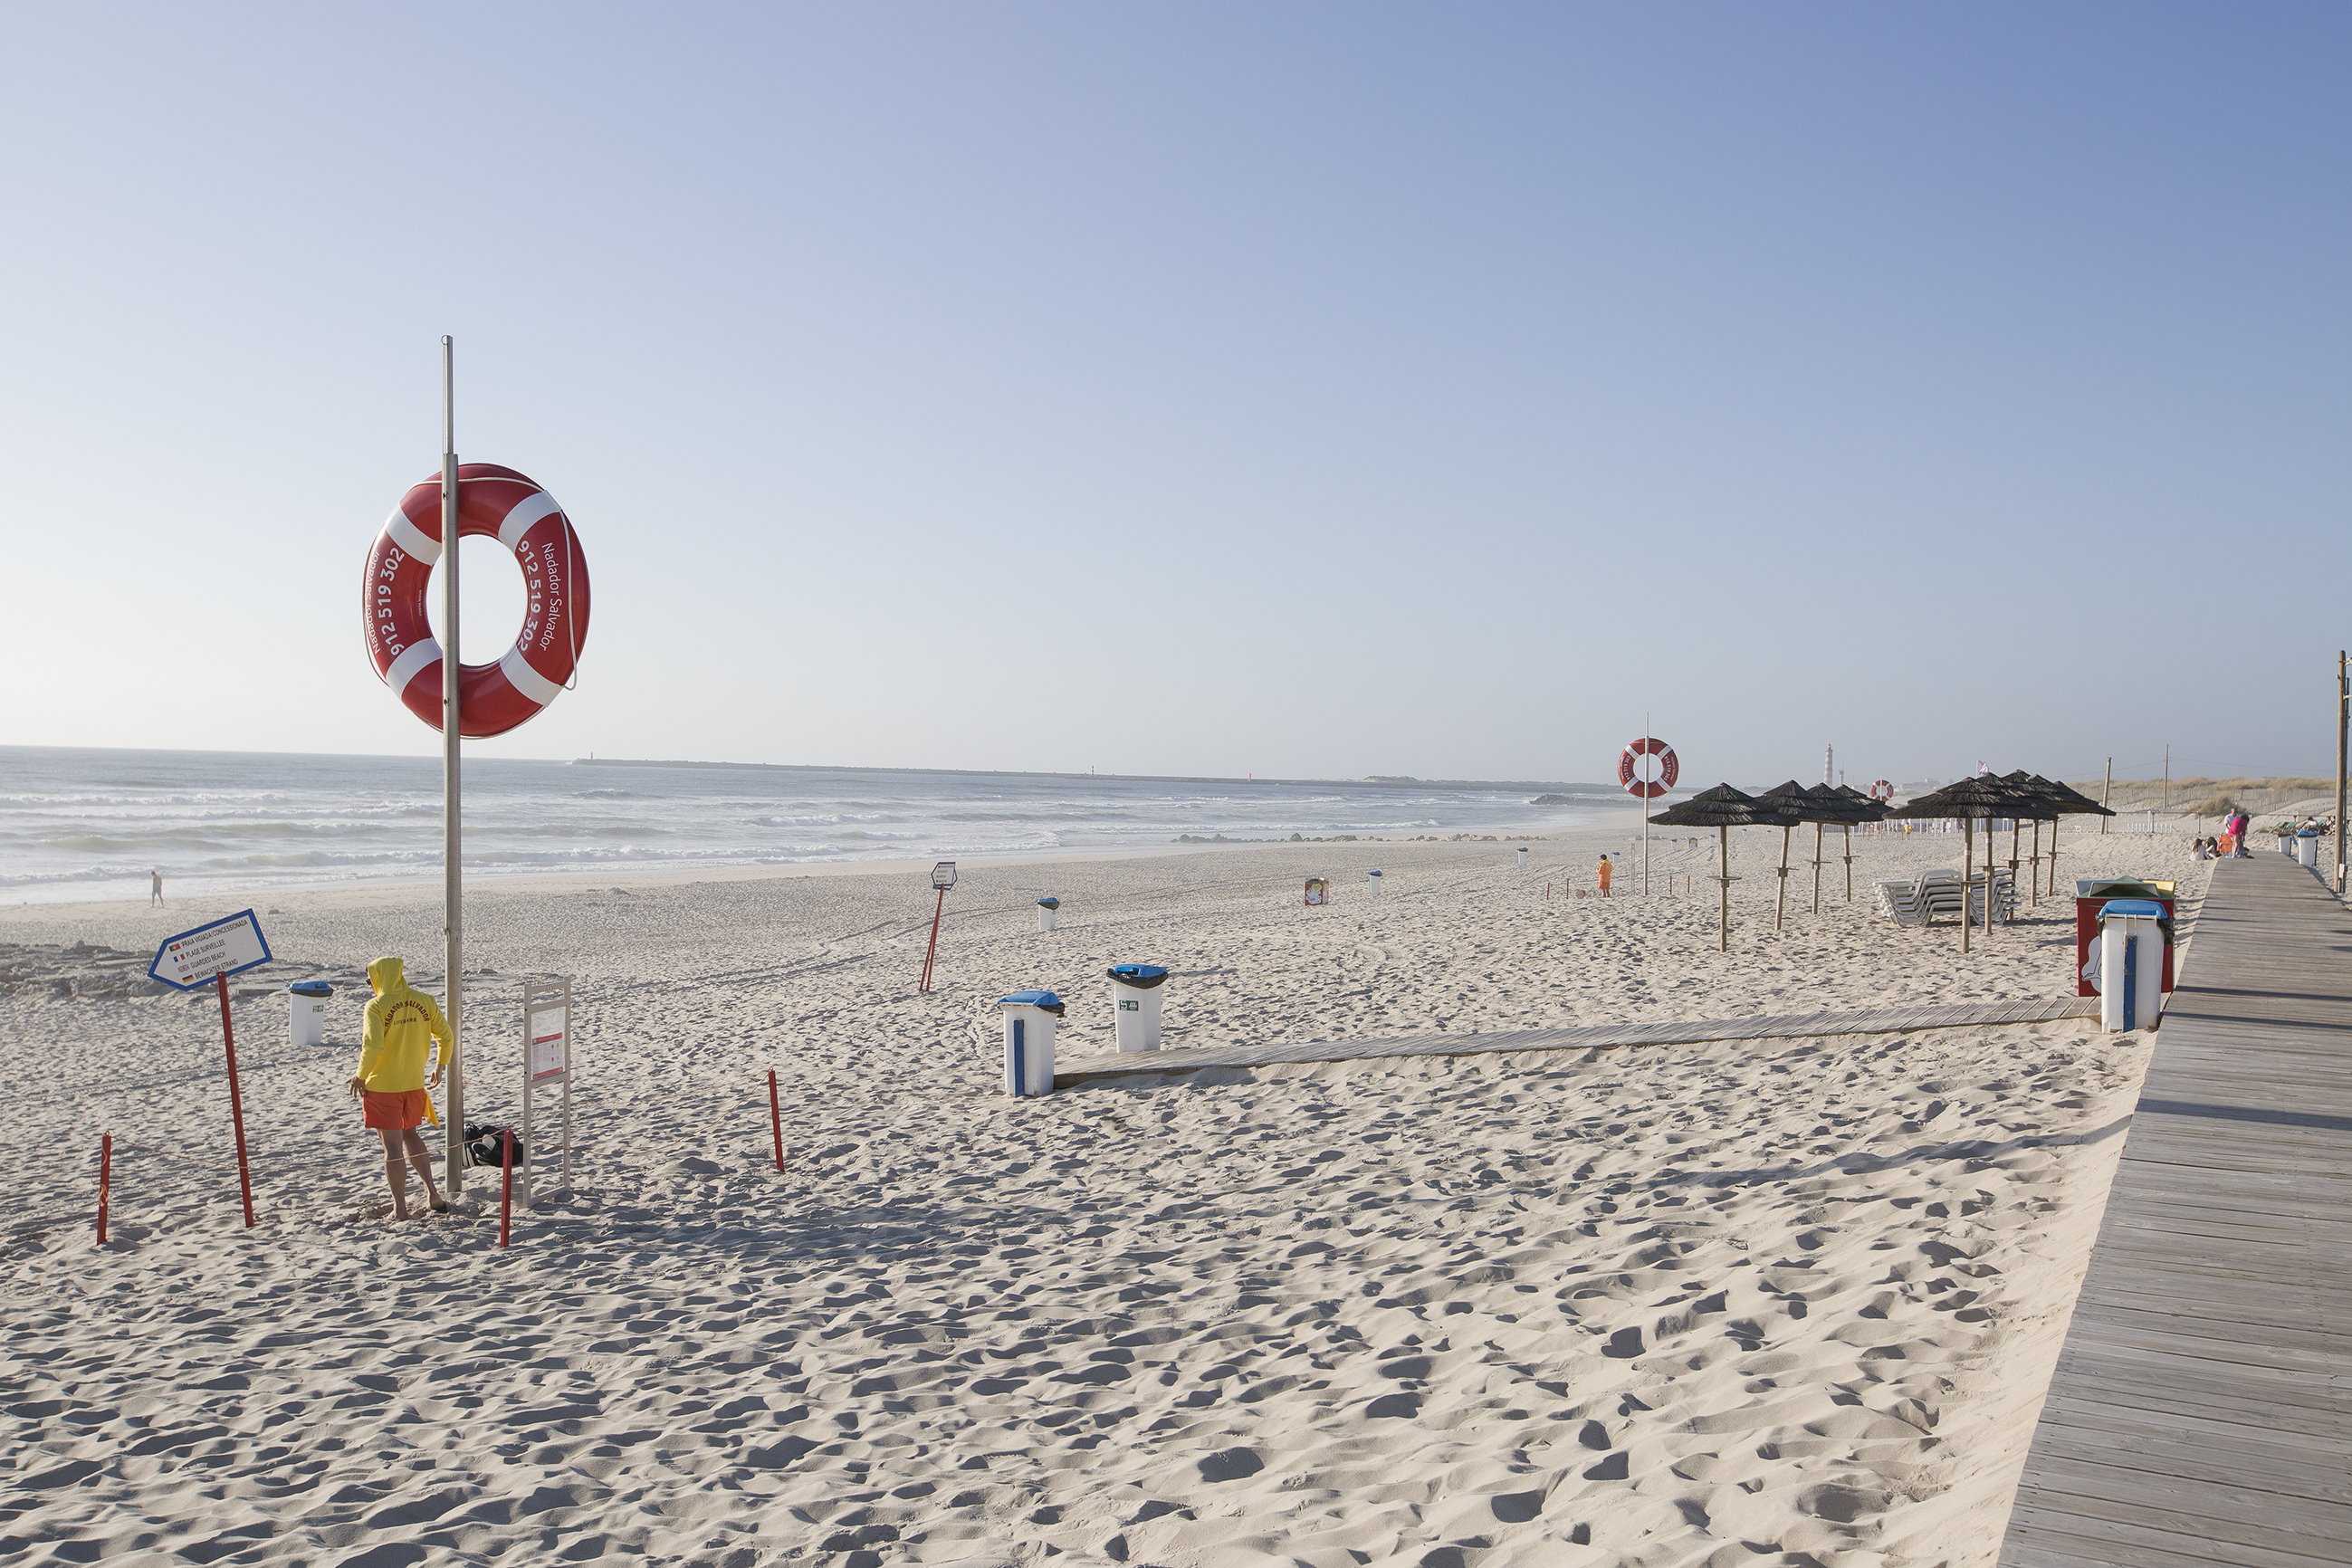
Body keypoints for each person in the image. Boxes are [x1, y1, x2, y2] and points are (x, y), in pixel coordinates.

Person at [349, 955, 454, 1219]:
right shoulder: (424, 1000)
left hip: (383, 1086)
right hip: (414, 1083)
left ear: (378, 977)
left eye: (370, 978)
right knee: (412, 1136)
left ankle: (400, 1208)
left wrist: (361, 1076)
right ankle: (432, 1192)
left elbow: (373, 1046)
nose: (369, 983)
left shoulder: (376, 1005)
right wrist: (441, 1065)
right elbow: (446, 1035)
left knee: (392, 1148)